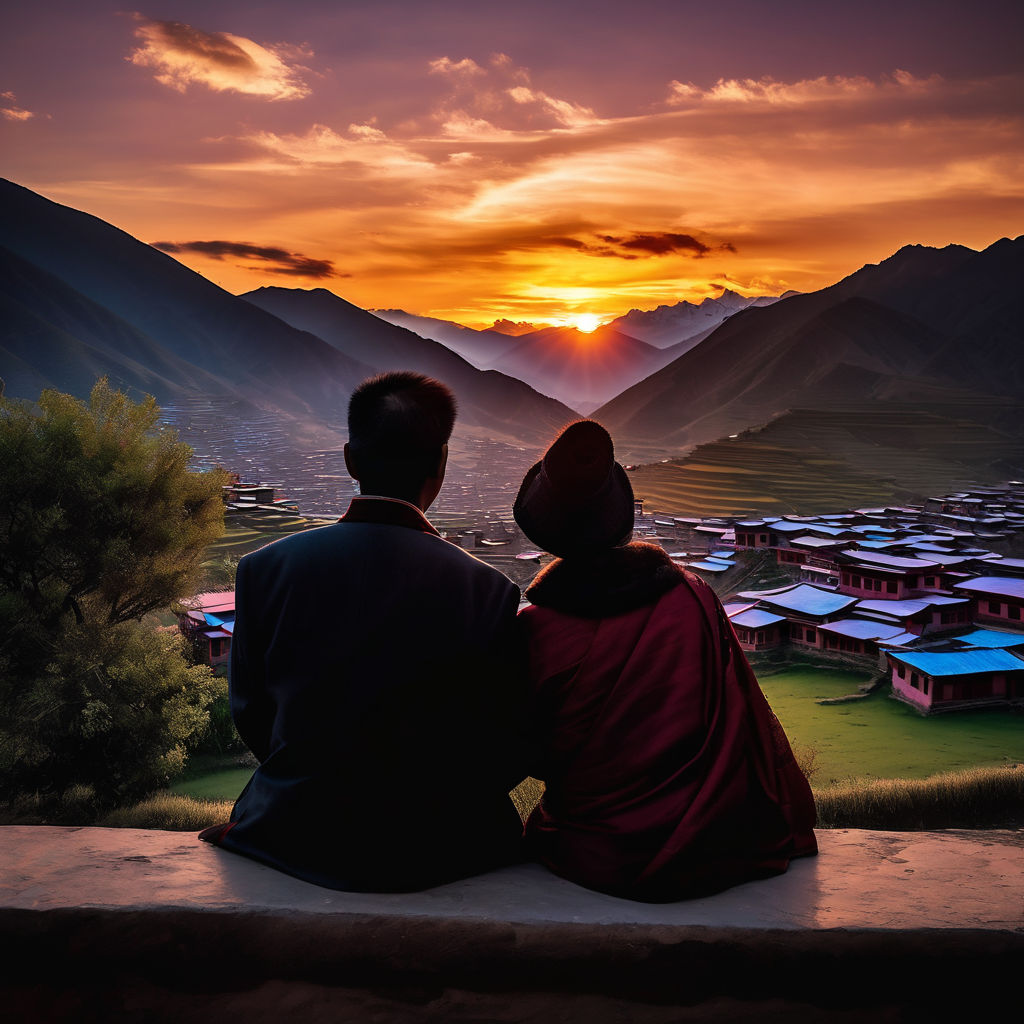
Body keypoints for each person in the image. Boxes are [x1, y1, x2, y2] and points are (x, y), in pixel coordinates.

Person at [200, 371, 529, 891]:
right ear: (440, 464)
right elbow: (504, 744)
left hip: (294, 830)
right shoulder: (488, 591)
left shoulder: (266, 570)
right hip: (444, 844)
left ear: (351, 459)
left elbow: (253, 715)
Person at [513, 419, 817, 902]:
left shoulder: (537, 630)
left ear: (547, 531)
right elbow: (750, 726)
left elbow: (524, 754)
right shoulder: (692, 596)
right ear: (619, 516)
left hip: (593, 850)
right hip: (715, 843)